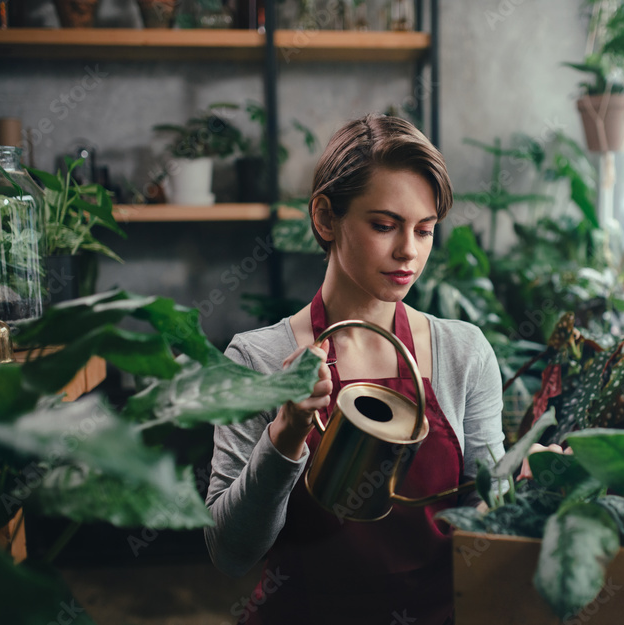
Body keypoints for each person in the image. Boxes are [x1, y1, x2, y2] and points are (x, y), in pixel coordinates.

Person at [204, 113, 506, 624]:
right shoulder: (256, 360)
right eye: (384, 226)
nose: (408, 251)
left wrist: (522, 487)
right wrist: (284, 435)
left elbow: (486, 518)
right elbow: (229, 552)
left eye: (425, 230)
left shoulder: (464, 353)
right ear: (325, 217)